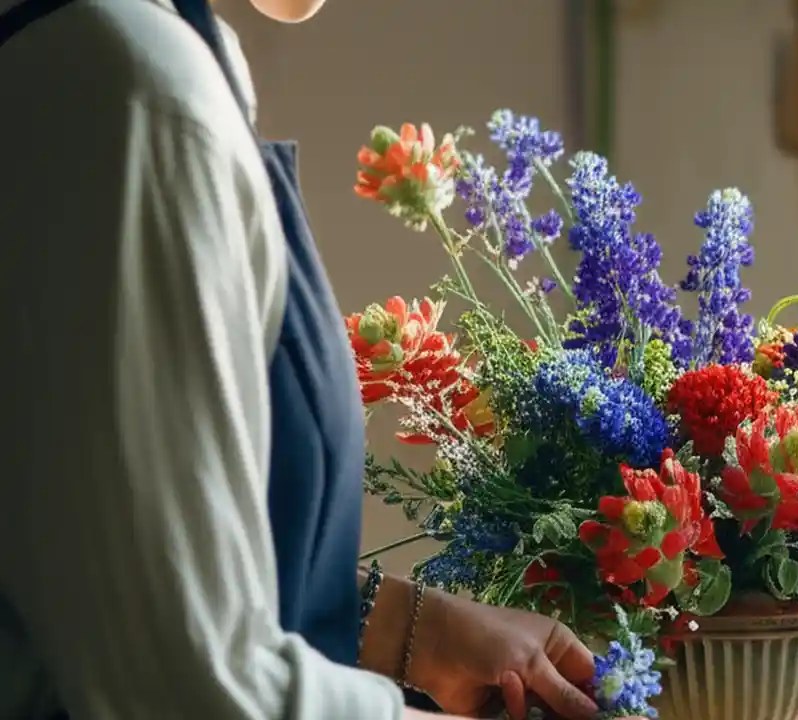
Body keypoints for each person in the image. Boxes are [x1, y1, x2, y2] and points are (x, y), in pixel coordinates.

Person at [0, 1, 636, 718]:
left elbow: (90, 562)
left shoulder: (141, 60)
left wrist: (397, 627)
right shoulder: (126, 90)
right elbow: (186, 695)